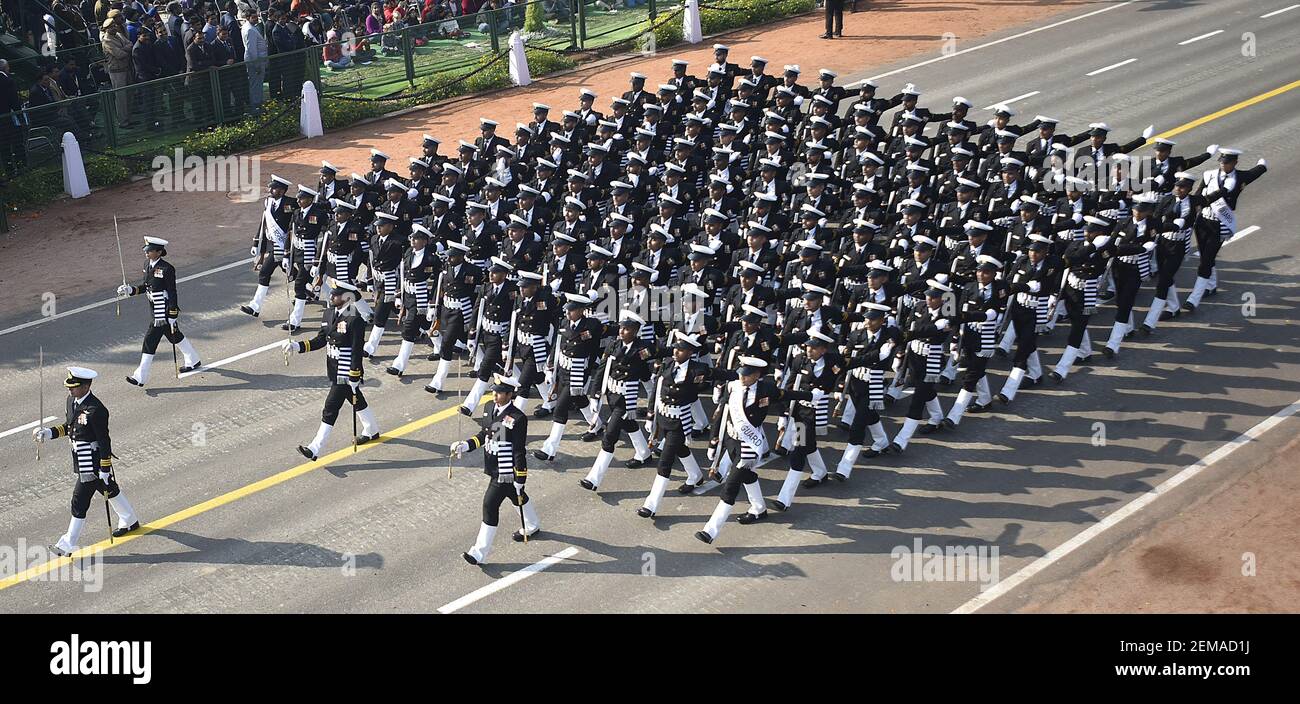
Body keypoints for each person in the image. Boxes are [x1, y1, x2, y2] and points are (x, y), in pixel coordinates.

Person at [33, 367, 141, 557]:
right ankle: (130, 520)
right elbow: (69, 427)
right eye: (69, 387)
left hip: (91, 461)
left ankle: (67, 544)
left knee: (79, 501)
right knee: (108, 489)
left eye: (73, 387)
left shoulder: (96, 410)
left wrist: (105, 467)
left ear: (86, 386)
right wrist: (48, 433)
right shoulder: (71, 401)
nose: (70, 390)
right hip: (79, 455)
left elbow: (104, 440)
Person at [282, 279, 382, 460]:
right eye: (332, 293)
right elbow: (321, 340)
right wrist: (297, 346)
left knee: (330, 407)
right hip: (333, 367)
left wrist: (355, 374)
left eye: (335, 295)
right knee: (356, 400)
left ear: (346, 298)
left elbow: (356, 349)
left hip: (346, 370)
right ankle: (372, 429)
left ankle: (315, 448)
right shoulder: (329, 314)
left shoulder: (354, 320)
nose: (331, 296)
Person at [450, 375, 540, 564]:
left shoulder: (517, 418)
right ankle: (532, 524)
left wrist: (520, 476)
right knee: (517, 496)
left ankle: (478, 553)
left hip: (505, 470)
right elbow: (485, 434)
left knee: (490, 505)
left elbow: (518, 449)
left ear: (510, 394)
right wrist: (465, 445)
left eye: (499, 393)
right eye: (494, 391)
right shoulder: (489, 408)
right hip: (492, 465)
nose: (495, 395)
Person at [117, 237, 204, 386]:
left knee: (149, 341)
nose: (147, 253)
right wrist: (130, 290)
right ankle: (193, 359)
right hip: (154, 307)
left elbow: (172, 291)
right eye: (146, 250)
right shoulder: (147, 265)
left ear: (159, 252)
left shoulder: (167, 269)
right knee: (174, 335)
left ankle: (140, 377)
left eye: (150, 250)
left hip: (162, 310)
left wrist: (172, 311)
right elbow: (146, 286)